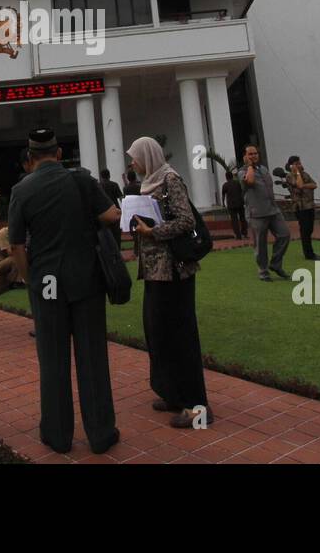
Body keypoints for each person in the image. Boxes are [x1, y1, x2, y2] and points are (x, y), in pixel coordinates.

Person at [8, 128, 120, 455]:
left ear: (30, 158)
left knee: (53, 360)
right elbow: (111, 214)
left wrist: (31, 280)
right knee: (93, 357)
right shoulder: (82, 180)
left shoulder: (21, 189)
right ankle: (100, 433)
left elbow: (16, 244)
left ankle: (57, 436)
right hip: (86, 278)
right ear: (59, 154)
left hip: (46, 282)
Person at [127, 136, 211, 429]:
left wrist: (153, 232)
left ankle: (197, 407)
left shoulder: (170, 179)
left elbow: (186, 221)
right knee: (158, 333)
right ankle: (173, 393)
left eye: (135, 157)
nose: (132, 163)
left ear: (147, 156)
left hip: (175, 271)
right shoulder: (149, 181)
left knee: (181, 337)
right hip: (154, 271)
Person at [237, 145, 291, 281]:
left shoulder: (263, 169)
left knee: (284, 234)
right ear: (245, 156)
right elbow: (249, 181)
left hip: (273, 210)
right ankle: (263, 272)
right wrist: (249, 166)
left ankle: (276, 264)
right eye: (250, 154)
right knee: (260, 245)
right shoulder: (242, 172)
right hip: (257, 213)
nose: (254, 156)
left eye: (255, 154)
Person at [285, 155, 320, 261]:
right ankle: (309, 254)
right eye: (296, 163)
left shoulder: (305, 174)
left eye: (299, 163)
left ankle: (309, 252)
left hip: (309, 205)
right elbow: (299, 185)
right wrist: (297, 173)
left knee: (310, 229)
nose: (299, 165)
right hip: (300, 207)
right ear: (291, 165)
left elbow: (314, 185)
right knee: (305, 230)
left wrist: (305, 185)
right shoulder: (290, 176)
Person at [98, 169, 124, 248]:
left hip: (104, 212)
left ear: (101, 176)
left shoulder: (98, 186)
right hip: (115, 211)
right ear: (109, 176)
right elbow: (121, 198)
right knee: (116, 234)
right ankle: (118, 251)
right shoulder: (114, 184)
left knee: (105, 235)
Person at [221, 169, 245, 241]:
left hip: (231, 205)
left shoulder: (225, 185)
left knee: (234, 220)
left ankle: (238, 235)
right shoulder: (237, 183)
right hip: (240, 203)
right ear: (232, 176)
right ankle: (245, 232)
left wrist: (223, 204)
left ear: (226, 177)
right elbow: (242, 192)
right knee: (242, 218)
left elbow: (223, 195)